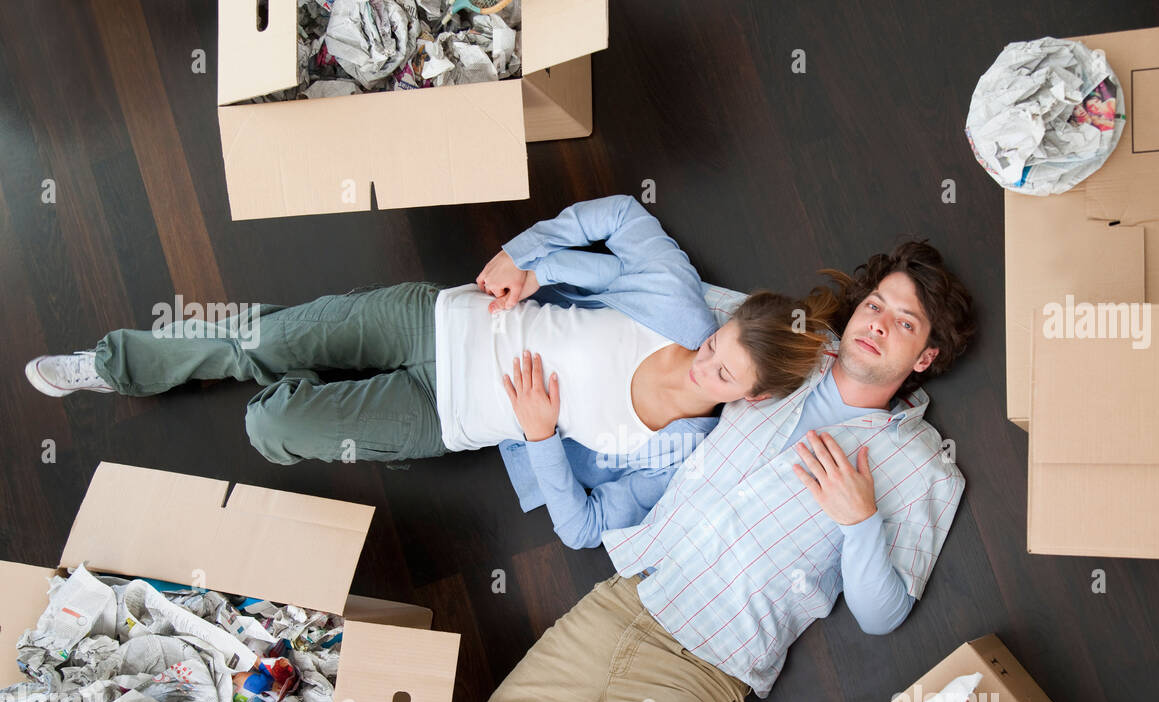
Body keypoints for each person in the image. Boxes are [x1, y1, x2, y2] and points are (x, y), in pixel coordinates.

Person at [342, 238, 977, 702]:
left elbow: (884, 614)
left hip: (708, 669)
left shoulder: (922, 465)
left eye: (904, 322)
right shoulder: (793, 346)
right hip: (626, 600)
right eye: (876, 304)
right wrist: (537, 264)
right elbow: (666, 288)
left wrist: (859, 521)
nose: (878, 322)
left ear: (925, 358)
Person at [23, 195, 831, 549]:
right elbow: (621, 215)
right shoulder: (678, 304)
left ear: (750, 397)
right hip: (433, 317)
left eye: (724, 376)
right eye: (716, 344)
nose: (705, 363)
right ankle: (112, 364)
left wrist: (543, 435)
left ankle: (291, 387)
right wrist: (526, 252)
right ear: (722, 321)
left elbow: (583, 528)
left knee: (267, 422)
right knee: (254, 341)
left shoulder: (677, 455)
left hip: (441, 416)